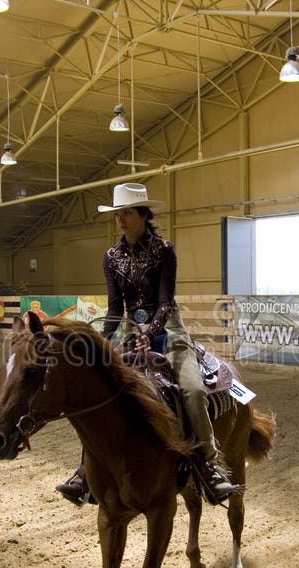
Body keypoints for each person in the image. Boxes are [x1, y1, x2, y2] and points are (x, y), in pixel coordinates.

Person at [55, 183, 238, 506]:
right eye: (117, 214)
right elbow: (114, 308)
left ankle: (208, 464)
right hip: (129, 329)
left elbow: (166, 301)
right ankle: (85, 470)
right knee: (101, 391)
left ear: (142, 214)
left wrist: (149, 331)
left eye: (126, 213)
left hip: (170, 329)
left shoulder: (165, 250)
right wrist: (102, 341)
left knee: (192, 390)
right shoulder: (111, 257)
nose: (121, 220)